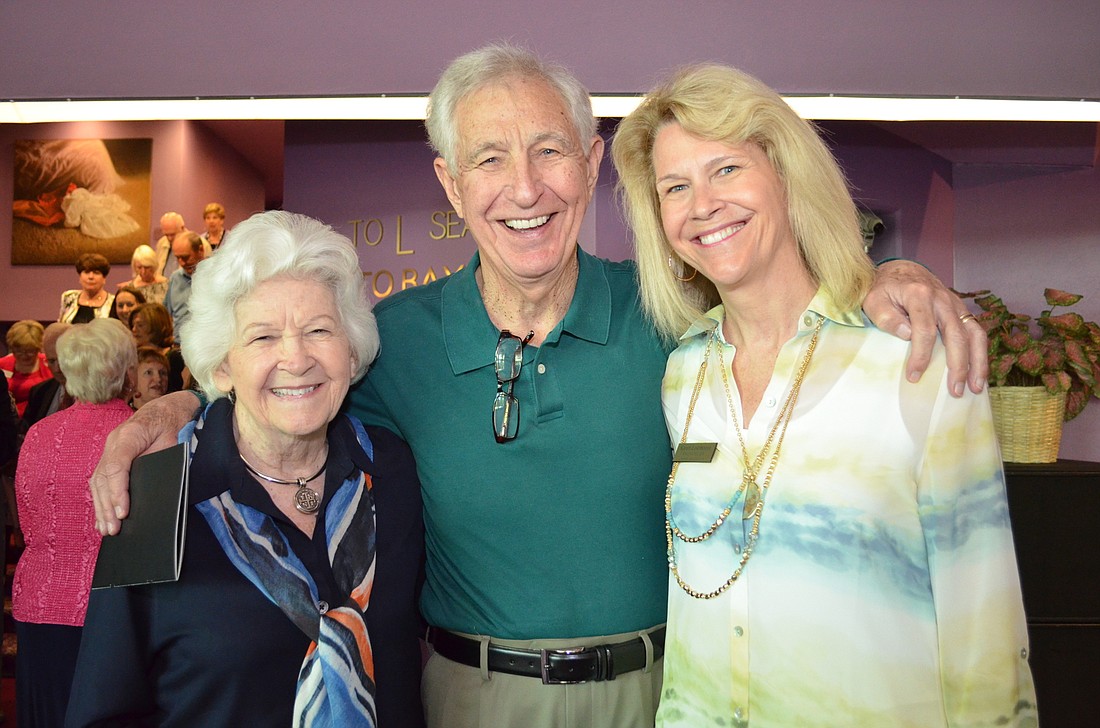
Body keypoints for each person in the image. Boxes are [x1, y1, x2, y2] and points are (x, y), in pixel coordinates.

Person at [90, 44, 986, 728]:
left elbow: (780, 302)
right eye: (487, 159)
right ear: (449, 183)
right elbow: (279, 386)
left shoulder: (669, 316)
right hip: (468, 698)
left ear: (593, 164)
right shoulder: (388, 343)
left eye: (549, 151)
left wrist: (882, 282)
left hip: (663, 693)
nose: (524, 187)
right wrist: (164, 412)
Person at [611, 63, 1036, 726]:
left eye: (726, 170)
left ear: (785, 176)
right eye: (675, 187)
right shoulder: (684, 373)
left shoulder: (913, 355)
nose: (702, 205)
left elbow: (984, 627)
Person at [67, 211, 425, 727]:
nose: (296, 358)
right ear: (221, 365)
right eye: (262, 338)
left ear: (351, 350)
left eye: (319, 329)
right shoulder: (155, 493)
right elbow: (104, 707)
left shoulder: (391, 470)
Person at [12, 318, 136, 728]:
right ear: (125, 370)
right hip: (118, 612)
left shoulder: (38, 434)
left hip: (40, 604)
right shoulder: (141, 435)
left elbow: (27, 523)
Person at [127, 301, 187, 393]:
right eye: (133, 325)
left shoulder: (176, 358)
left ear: (156, 326)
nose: (134, 330)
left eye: (140, 325)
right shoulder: (135, 358)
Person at [22, 322, 74, 427]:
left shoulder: (95, 395)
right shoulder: (39, 392)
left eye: (62, 360)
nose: (57, 369)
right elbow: (25, 433)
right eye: (51, 361)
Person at [1, 319, 53, 418]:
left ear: (38, 348)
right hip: (8, 419)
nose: (24, 355)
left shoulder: (49, 365)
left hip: (40, 418)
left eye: (30, 351)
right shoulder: (3, 364)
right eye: (19, 351)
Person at [163, 230, 207, 330]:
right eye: (177, 258)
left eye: (185, 257)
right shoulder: (175, 277)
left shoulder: (215, 275)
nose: (181, 263)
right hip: (178, 343)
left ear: (200, 250)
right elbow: (167, 313)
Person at [59, 252, 115, 324]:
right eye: (86, 272)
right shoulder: (68, 297)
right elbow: (60, 326)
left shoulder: (113, 301)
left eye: (96, 273)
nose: (91, 277)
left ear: (104, 278)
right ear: (80, 276)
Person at [129, 345, 169, 410]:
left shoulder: (177, 415)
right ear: (132, 379)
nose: (158, 379)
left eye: (163, 373)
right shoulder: (122, 417)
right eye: (148, 373)